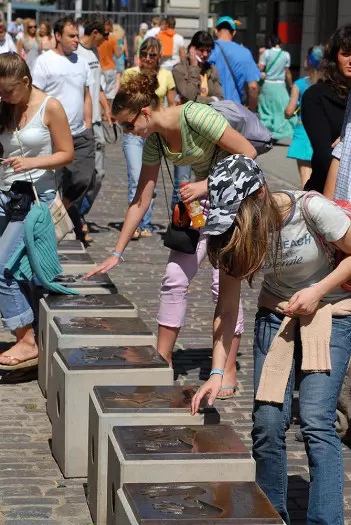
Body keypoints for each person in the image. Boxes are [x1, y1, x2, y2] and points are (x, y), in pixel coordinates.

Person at [191, 153, 351, 524]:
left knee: (315, 419)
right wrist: (217, 372)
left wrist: (318, 291)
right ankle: (269, 515)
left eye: (239, 216)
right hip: (277, 317)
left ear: (260, 195)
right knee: (267, 423)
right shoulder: (234, 233)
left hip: (331, 314)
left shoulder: (312, 209)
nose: (235, 228)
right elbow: (227, 309)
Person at [85, 69, 256, 397]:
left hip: (235, 202)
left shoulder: (196, 115)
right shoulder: (156, 140)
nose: (126, 132)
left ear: (144, 113)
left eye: (127, 125)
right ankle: (161, 360)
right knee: (174, 278)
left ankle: (228, 366)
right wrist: (116, 252)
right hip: (200, 208)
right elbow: (141, 198)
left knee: (224, 287)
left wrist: (205, 185)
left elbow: (248, 153)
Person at [0, 52, 73, 369]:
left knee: (3, 269)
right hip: (4, 194)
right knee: (16, 271)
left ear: (26, 82)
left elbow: (67, 154)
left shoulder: (50, 107)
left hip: (34, 200)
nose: (4, 96)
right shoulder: (5, 107)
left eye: (8, 91)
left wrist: (32, 162)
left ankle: (27, 340)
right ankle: (30, 328)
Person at [32, 16, 95, 244]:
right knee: (52, 186)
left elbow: (86, 95)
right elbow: (35, 95)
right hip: (53, 136)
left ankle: (57, 214)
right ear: (58, 36)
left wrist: (88, 126)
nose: (76, 40)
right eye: (71, 36)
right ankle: (48, 232)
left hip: (81, 133)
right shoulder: (44, 61)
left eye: (77, 35)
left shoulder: (82, 62)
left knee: (86, 178)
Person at [121, 38, 175, 238]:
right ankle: (134, 223)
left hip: (154, 134)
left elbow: (169, 105)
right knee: (136, 177)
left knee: (150, 180)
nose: (147, 58)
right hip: (134, 132)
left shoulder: (166, 75)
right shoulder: (130, 74)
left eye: (152, 55)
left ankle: (146, 223)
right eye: (144, 54)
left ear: (159, 56)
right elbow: (122, 102)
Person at [171, 30, 223, 209]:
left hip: (208, 132)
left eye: (208, 50)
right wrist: (194, 66)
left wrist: (206, 100)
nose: (205, 54)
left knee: (205, 181)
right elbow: (189, 95)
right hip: (185, 132)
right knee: (183, 183)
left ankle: (201, 222)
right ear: (192, 49)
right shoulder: (179, 69)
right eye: (201, 50)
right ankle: (179, 223)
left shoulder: (211, 69)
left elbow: (220, 97)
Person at [302, 25, 351, 194]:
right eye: (346, 54)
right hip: (325, 194)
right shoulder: (315, 96)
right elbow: (324, 155)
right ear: (334, 58)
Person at [77, 18, 111, 238]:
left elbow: (97, 86)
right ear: (96, 32)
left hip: (97, 122)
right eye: (105, 35)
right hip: (80, 122)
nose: (107, 39)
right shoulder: (77, 53)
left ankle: (79, 213)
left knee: (98, 174)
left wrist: (107, 108)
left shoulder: (96, 53)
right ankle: (74, 219)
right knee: (80, 174)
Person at [285, 46, 323, 187]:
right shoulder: (328, 84)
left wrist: (288, 113)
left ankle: (307, 206)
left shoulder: (300, 84)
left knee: (306, 178)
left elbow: (289, 111)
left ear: (308, 61)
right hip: (323, 132)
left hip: (303, 131)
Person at [208, 16, 260, 111]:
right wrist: (251, 111)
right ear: (234, 32)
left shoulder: (207, 50)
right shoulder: (245, 53)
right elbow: (253, 87)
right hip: (234, 110)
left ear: (216, 31)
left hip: (211, 108)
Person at [258, 34, 295, 141]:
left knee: (266, 109)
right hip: (280, 85)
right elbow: (287, 73)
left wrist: (260, 54)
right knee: (280, 109)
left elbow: (260, 68)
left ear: (270, 43)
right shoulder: (286, 55)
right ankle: (279, 132)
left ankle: (267, 132)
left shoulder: (267, 53)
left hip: (268, 85)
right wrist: (291, 85)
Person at [98, 19, 120, 106]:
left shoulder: (99, 37)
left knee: (100, 91)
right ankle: (107, 112)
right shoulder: (113, 38)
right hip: (110, 67)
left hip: (99, 67)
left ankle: (101, 111)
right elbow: (117, 54)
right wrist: (121, 50)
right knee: (110, 92)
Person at [112, 23, 129, 93]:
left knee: (113, 77)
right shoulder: (121, 39)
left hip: (112, 58)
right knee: (118, 77)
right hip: (120, 58)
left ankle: (112, 91)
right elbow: (123, 48)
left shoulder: (112, 38)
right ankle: (116, 92)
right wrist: (123, 53)